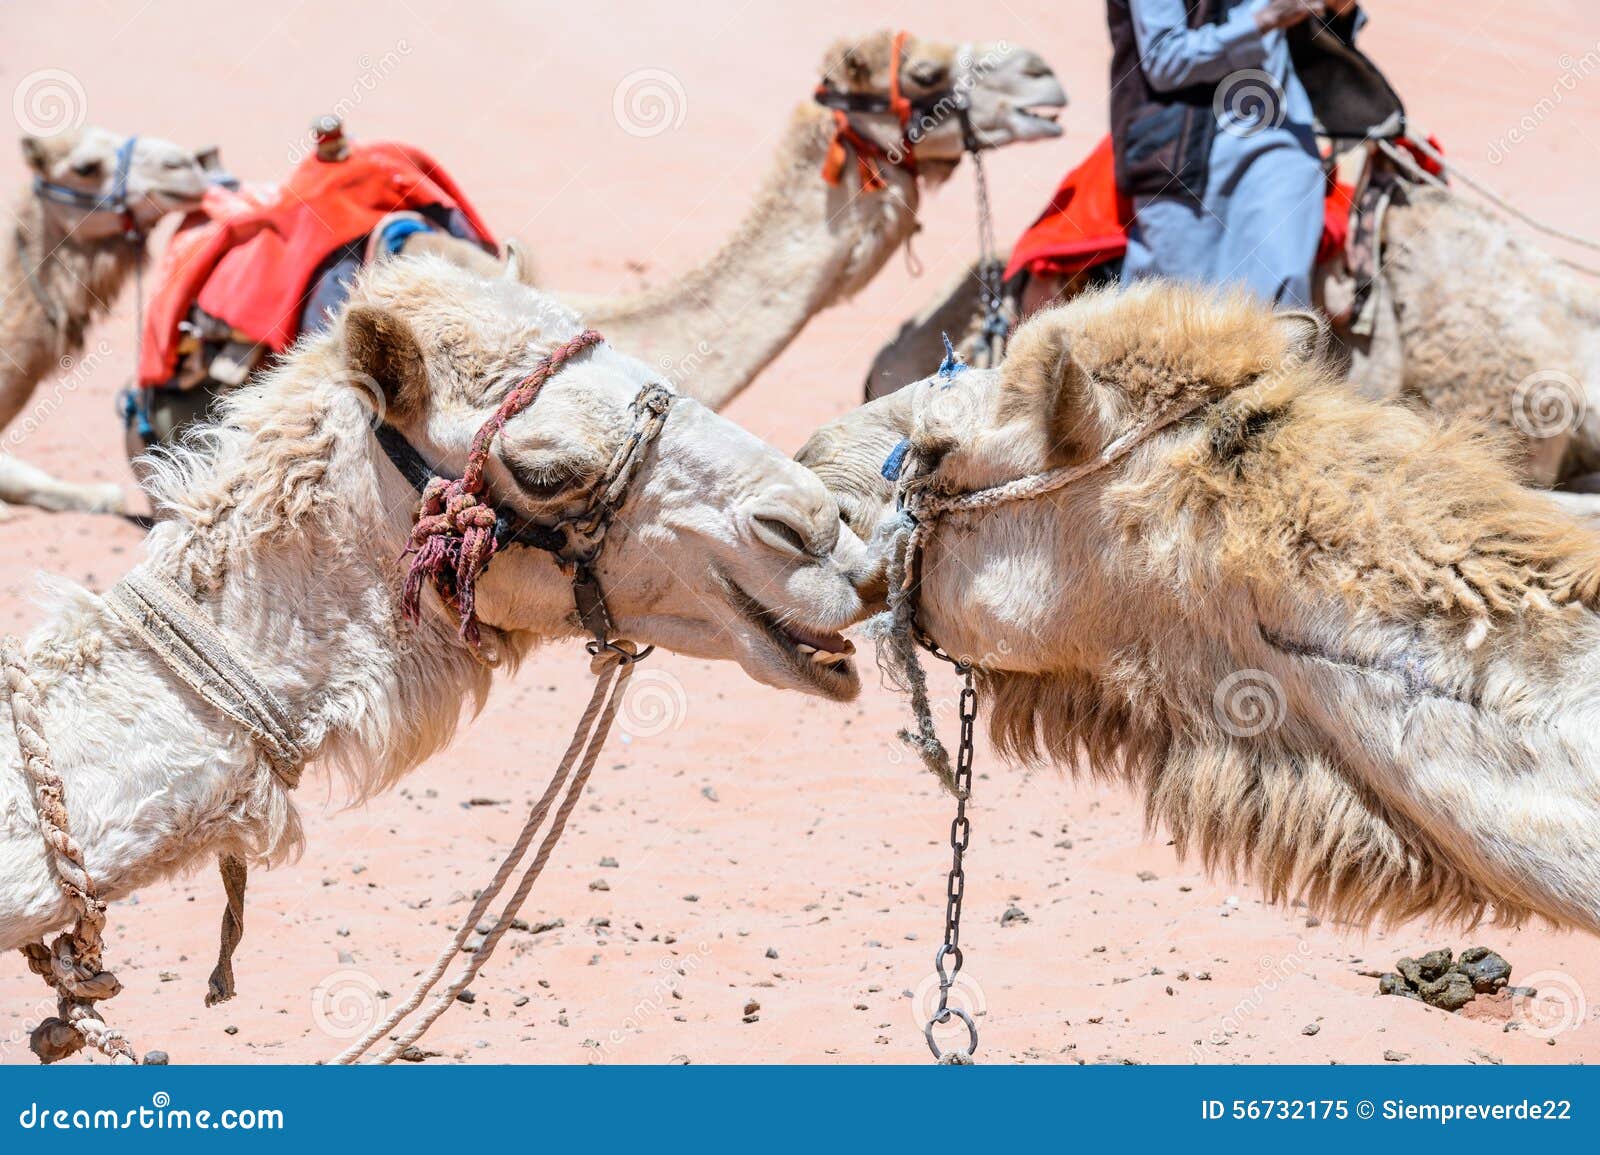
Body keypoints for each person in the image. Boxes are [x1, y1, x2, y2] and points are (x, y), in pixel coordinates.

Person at [1109, 0, 1362, 308]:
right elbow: (1165, 61)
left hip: (1280, 139)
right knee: (1173, 313)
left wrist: (1339, 10)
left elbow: (1325, 41)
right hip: (1183, 154)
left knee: (1282, 288)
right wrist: (1261, 21)